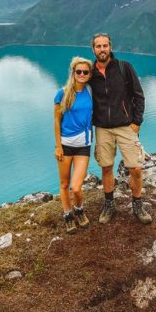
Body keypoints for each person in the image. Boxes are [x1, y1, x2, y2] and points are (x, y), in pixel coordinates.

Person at [88, 33, 152, 225]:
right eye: (98, 46)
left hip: (126, 127)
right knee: (106, 167)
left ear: (110, 47)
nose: (102, 49)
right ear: (93, 50)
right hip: (103, 128)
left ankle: (138, 204)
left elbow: (139, 96)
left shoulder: (124, 67)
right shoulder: (89, 72)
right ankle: (109, 204)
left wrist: (136, 123)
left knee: (136, 169)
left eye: (105, 46)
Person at [54, 56, 93, 233]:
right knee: (64, 184)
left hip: (83, 145)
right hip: (65, 144)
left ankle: (79, 209)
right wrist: (58, 146)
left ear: (89, 74)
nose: (82, 74)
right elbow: (56, 120)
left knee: (76, 187)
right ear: (73, 73)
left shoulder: (91, 92)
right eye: (79, 72)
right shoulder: (62, 93)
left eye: (85, 72)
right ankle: (68, 215)